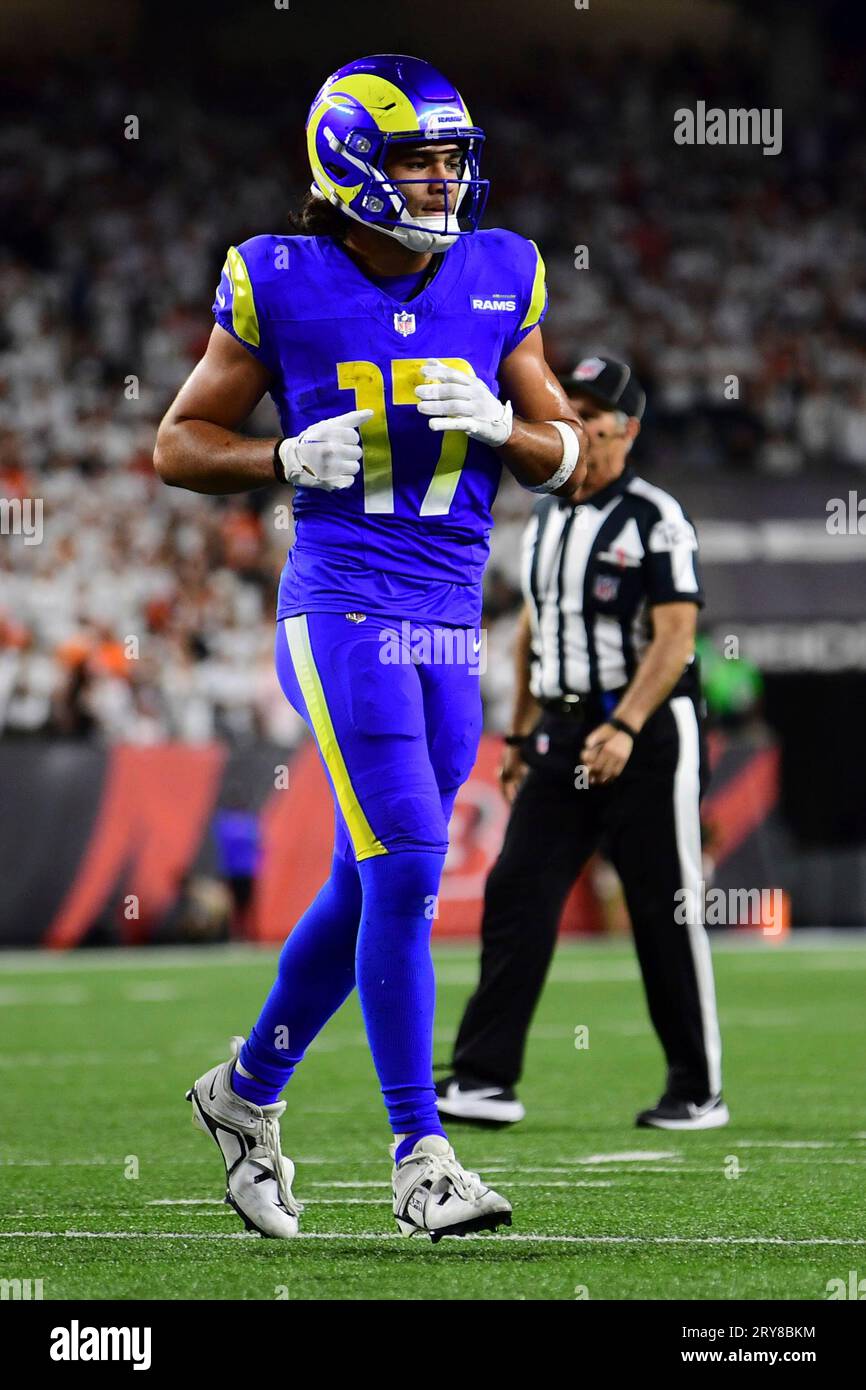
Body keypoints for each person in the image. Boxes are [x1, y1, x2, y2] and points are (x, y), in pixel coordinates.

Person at [154, 53, 587, 1239]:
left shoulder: (503, 273)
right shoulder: (277, 277)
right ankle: (420, 1153)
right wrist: (280, 458)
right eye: (418, 159)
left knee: (366, 881)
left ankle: (245, 1093)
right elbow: (179, 442)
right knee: (405, 865)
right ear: (348, 162)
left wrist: (515, 427)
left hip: (450, 618)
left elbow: (579, 456)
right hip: (341, 601)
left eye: (454, 158)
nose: (444, 181)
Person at [436, 356, 728, 1132]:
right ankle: (484, 1077)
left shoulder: (656, 517)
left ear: (626, 430)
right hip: (564, 733)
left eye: (594, 411)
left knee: (661, 907)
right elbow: (536, 624)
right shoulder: (548, 513)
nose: (577, 419)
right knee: (518, 888)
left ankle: (696, 1089)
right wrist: (522, 728)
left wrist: (626, 725)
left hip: (649, 729)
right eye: (573, 402)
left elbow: (676, 640)